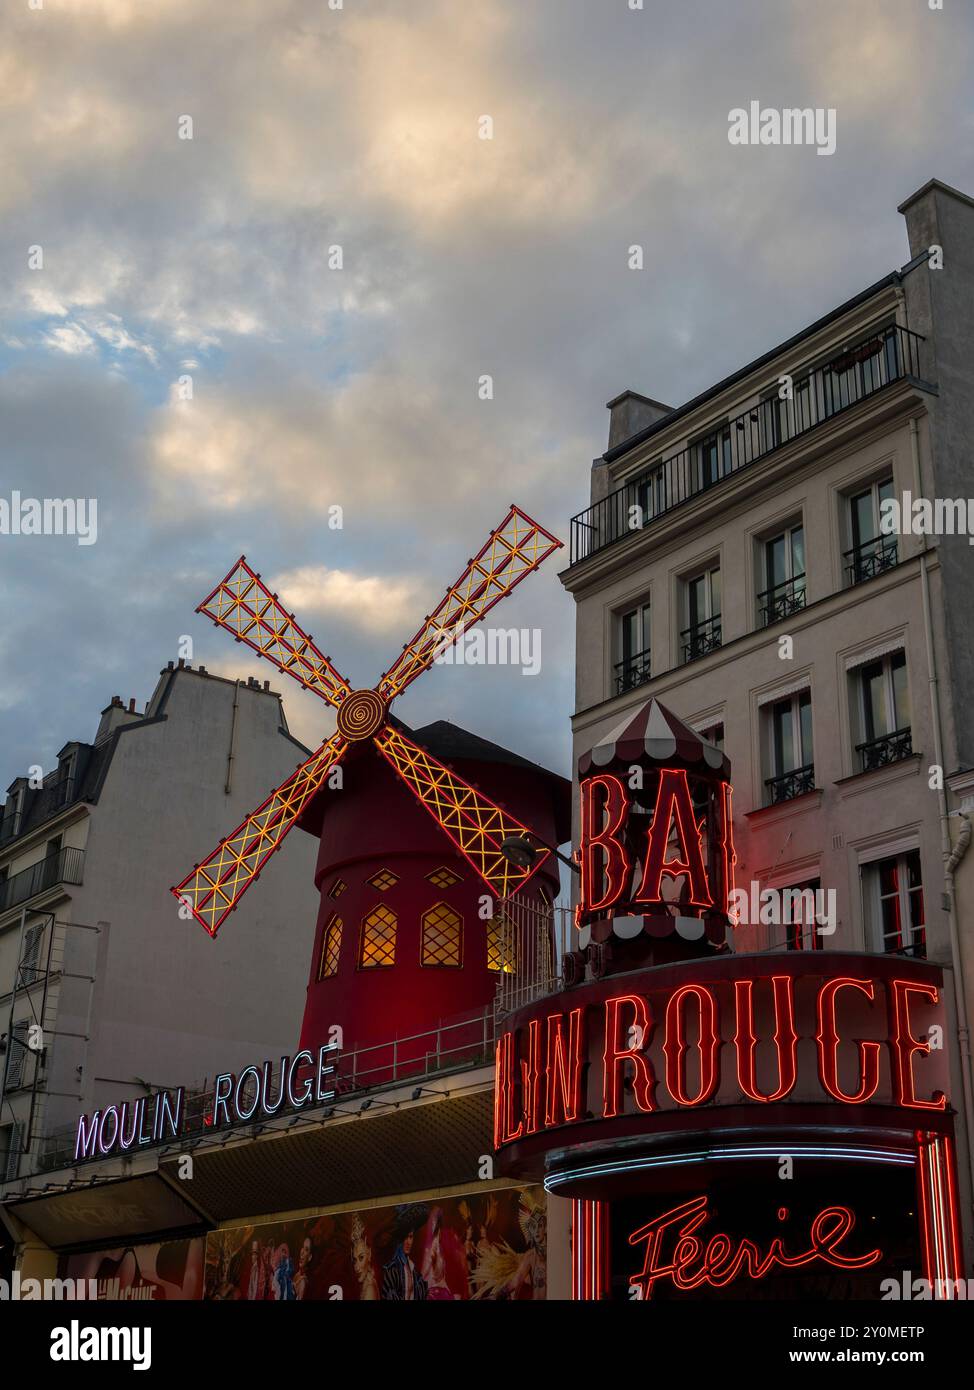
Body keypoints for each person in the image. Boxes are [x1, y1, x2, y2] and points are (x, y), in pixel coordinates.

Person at [381, 1205, 429, 1300]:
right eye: (405, 1237)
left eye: (410, 1237)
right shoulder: (392, 1270)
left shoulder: (413, 1270)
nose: (408, 1242)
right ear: (400, 1239)